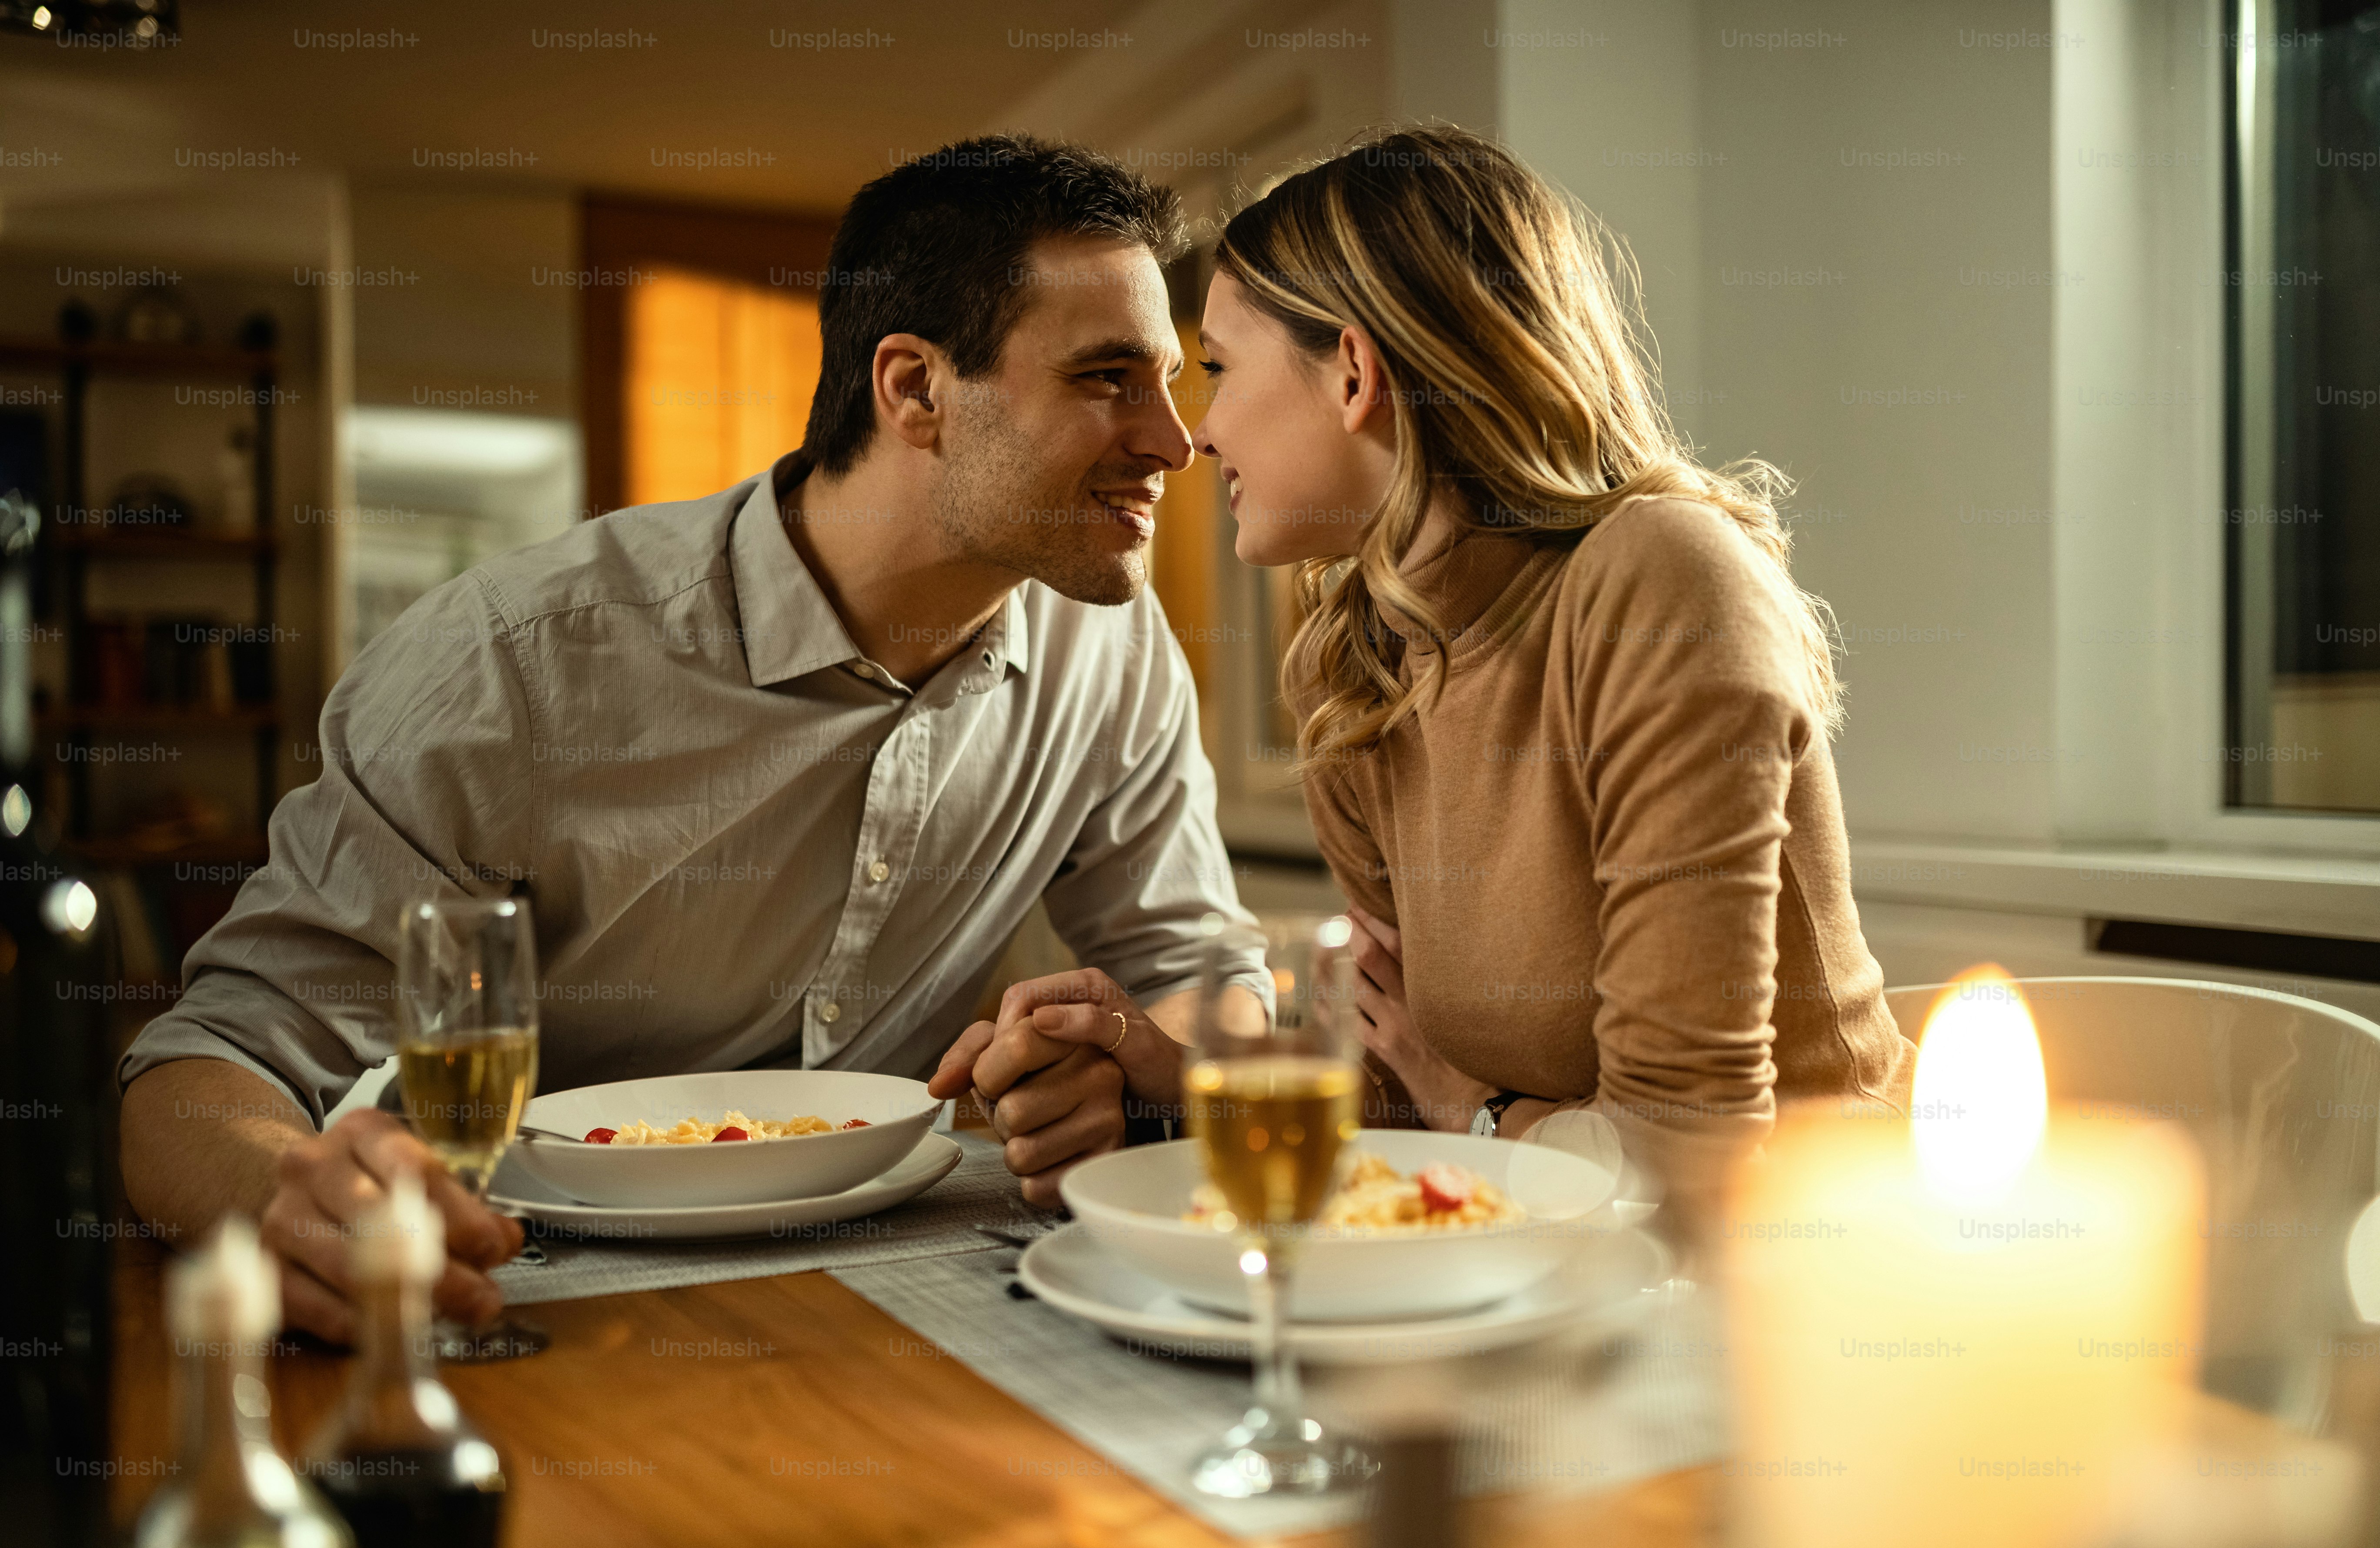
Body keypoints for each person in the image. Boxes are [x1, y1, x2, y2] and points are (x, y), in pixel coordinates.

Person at [117, 134, 1268, 1342]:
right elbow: (205, 1068)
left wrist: (1129, 1058)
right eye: (1108, 380)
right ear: (916, 389)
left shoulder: (1115, 657)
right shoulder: (511, 661)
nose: (1174, 443)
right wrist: (275, 1202)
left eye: (1173, 384)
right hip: (524, 1291)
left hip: (910, 1288)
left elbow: (1203, 980)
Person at [988, 125, 1914, 1223]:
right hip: (1522, 1258)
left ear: (1353, 374)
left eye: (1223, 373)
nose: (1200, 438)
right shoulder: (1357, 669)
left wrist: (1475, 1111)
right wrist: (1170, 1079)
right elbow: (1398, 1078)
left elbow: (1681, 1173)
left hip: (1795, 1282)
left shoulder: (1657, 583)